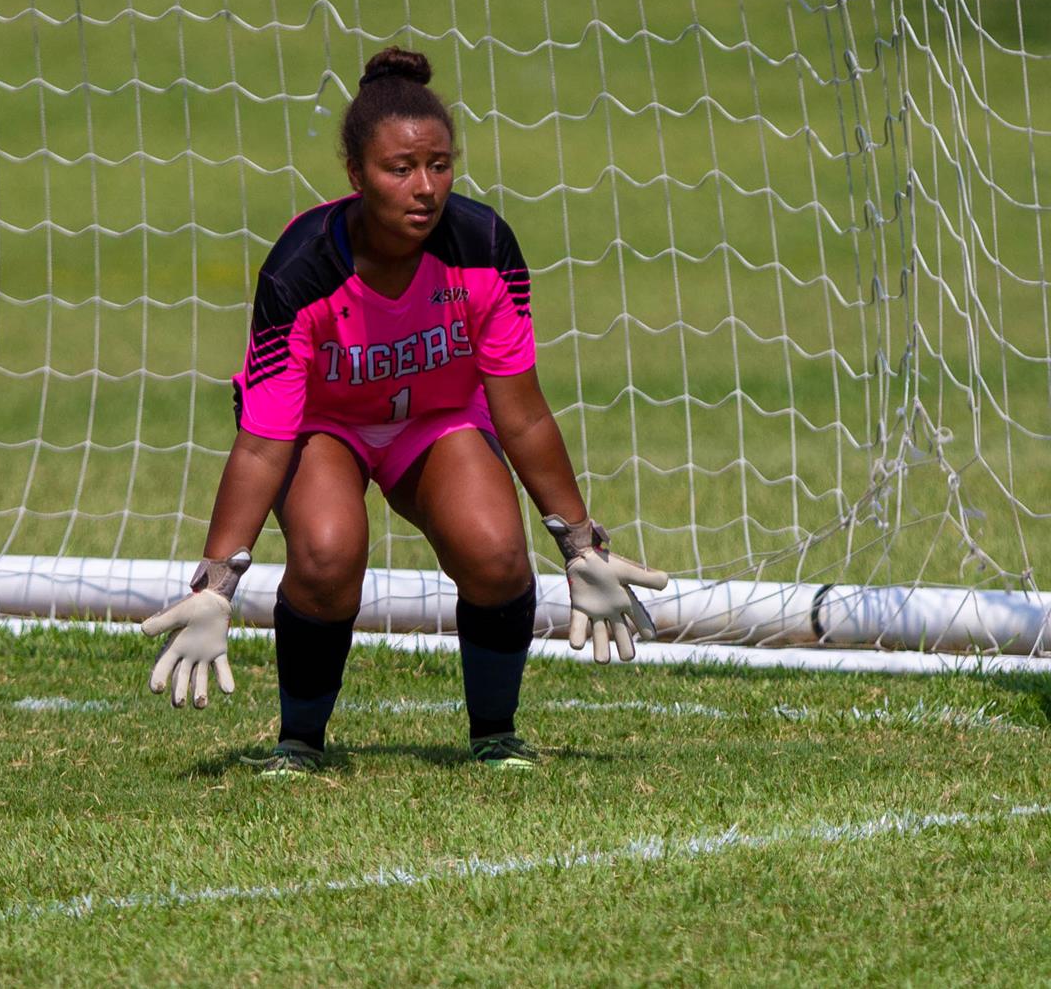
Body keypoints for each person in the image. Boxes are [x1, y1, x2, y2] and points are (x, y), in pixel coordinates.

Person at [140, 47, 667, 772]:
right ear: (356, 176)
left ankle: (495, 735)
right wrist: (218, 583)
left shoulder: (484, 247)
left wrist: (579, 541)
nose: (425, 188)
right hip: (325, 427)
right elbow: (265, 443)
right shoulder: (300, 269)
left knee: (495, 549)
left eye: (440, 165)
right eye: (400, 169)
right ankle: (300, 743)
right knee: (327, 551)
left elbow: (523, 414)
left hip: (438, 421)